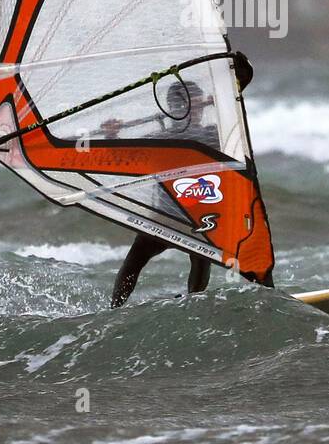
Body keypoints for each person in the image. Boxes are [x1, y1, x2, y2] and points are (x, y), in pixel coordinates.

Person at [109, 51, 256, 308]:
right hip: (165, 219)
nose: (197, 111)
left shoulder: (211, 134)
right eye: (192, 105)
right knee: (134, 262)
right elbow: (119, 156)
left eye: (199, 104)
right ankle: (116, 308)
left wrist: (236, 76)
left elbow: (237, 98)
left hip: (196, 217)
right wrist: (112, 135)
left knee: (200, 255)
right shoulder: (160, 140)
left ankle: (192, 301)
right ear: (176, 109)